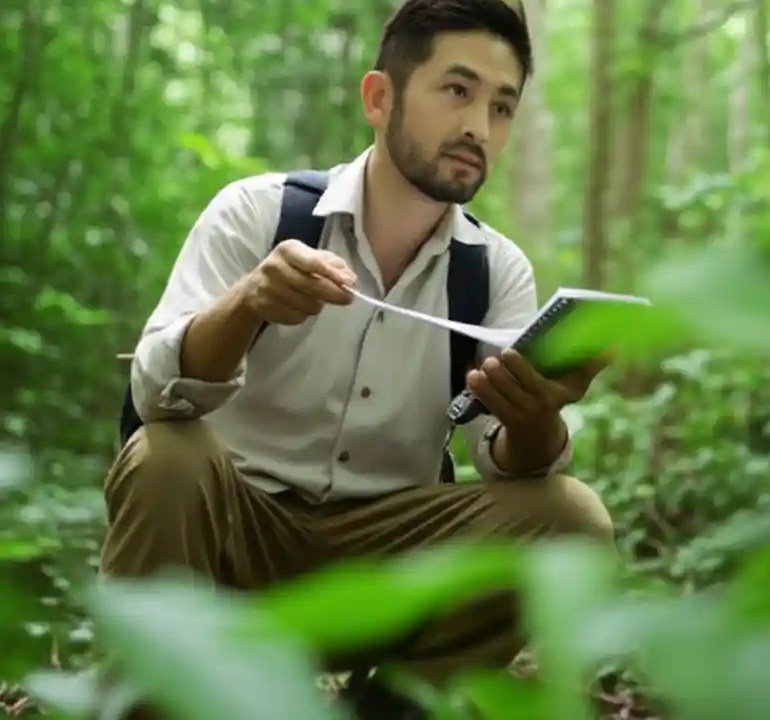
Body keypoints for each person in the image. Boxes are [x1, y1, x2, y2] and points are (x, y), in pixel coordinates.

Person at [96, 0, 614, 717]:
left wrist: (540, 415)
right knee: (166, 458)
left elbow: (509, 464)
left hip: (388, 563)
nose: (478, 129)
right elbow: (153, 398)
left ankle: (397, 708)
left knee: (574, 517)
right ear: (380, 97)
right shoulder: (258, 213)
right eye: (457, 91)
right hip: (234, 542)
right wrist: (247, 302)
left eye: (502, 107)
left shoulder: (495, 272)